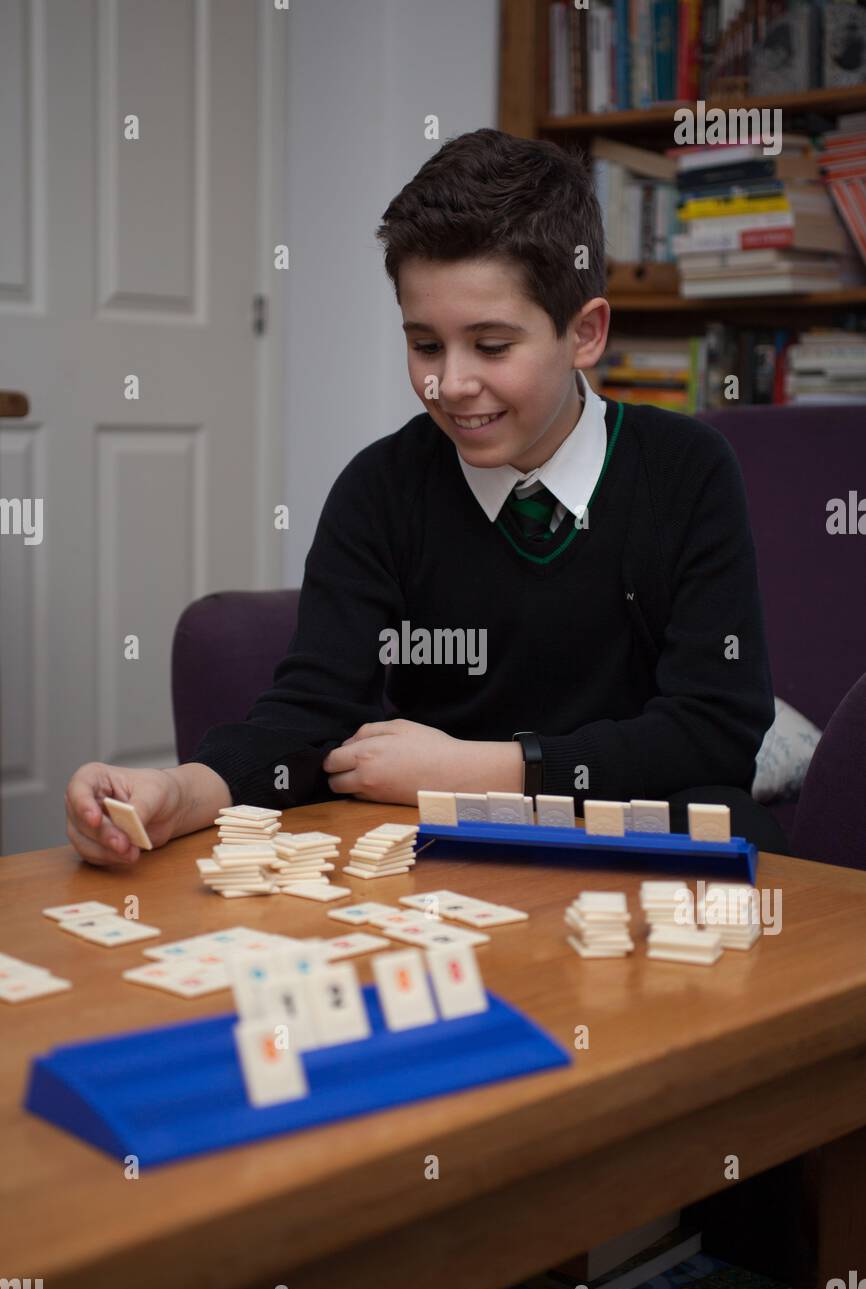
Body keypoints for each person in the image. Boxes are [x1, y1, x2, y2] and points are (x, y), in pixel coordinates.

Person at [65, 128, 788, 867]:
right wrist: (177, 792)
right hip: (441, 860)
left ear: (585, 333)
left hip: (641, 839)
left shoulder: (685, 470)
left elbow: (714, 728)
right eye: (426, 344)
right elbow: (315, 708)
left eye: (493, 345)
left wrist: (489, 770)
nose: (452, 382)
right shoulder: (382, 488)